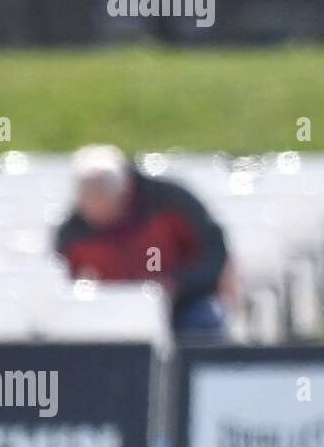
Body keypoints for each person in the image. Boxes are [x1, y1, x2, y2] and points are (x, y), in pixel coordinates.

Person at [55, 144, 230, 337]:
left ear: (123, 191)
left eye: (102, 198)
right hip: (112, 309)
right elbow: (64, 283)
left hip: (181, 303)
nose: (97, 211)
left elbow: (213, 255)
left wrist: (178, 284)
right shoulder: (72, 234)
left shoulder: (170, 203)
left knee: (203, 319)